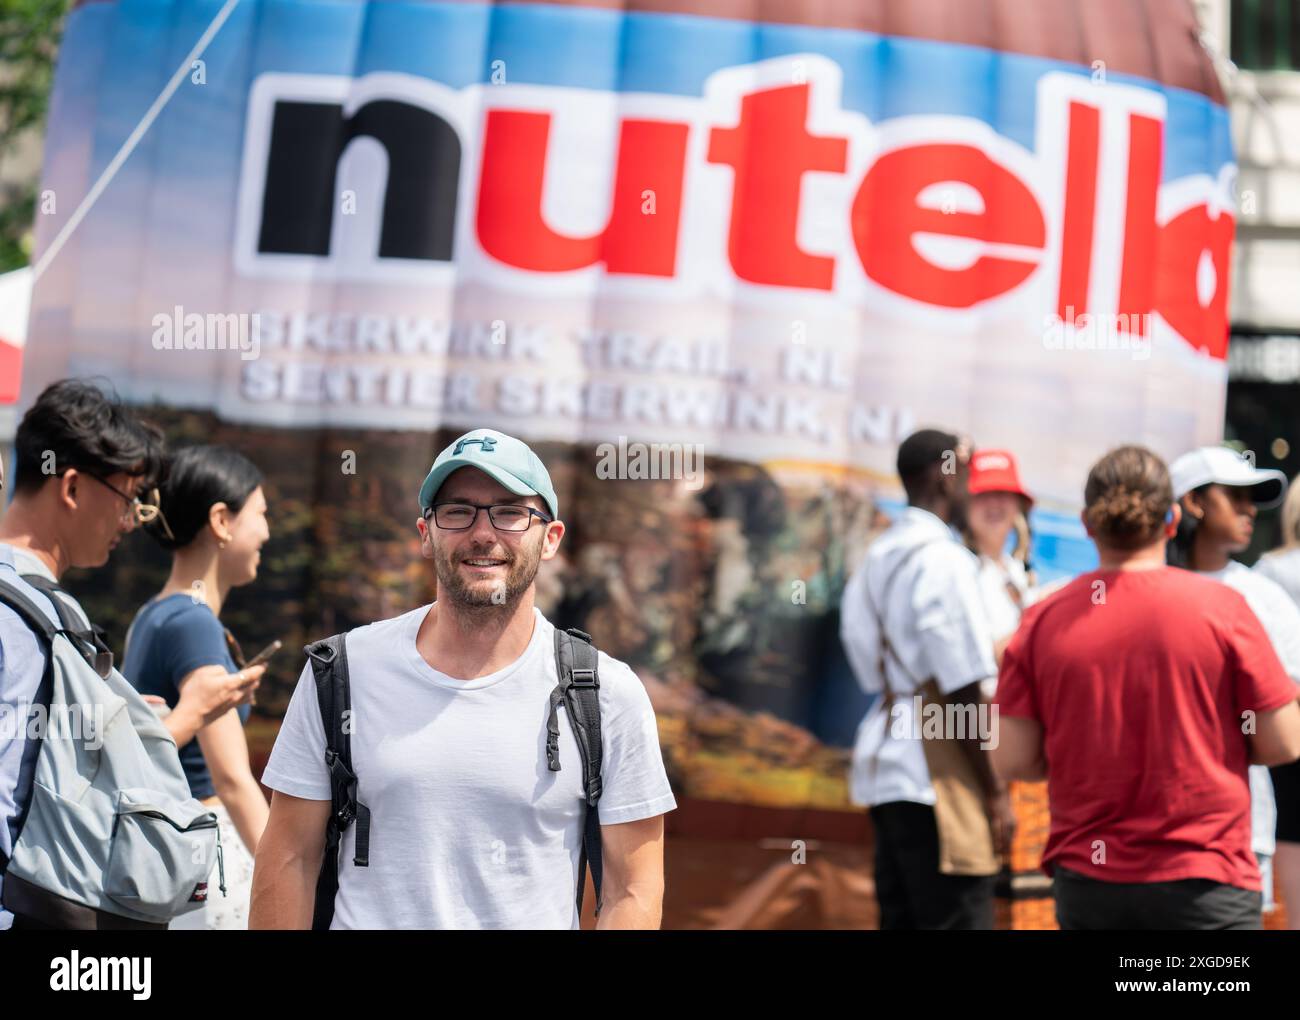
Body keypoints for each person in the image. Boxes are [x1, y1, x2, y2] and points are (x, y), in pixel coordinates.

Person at [250, 428, 676, 929]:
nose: (482, 533)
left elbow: (633, 890)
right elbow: (289, 858)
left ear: (551, 538)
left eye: (510, 512)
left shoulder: (605, 694)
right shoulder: (340, 671)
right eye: (457, 511)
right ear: (425, 533)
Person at [994, 445, 1300, 930]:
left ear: (1088, 525)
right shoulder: (1225, 608)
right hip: (1205, 877)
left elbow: (1012, 758)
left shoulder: (1042, 619)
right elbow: (1284, 741)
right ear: (1172, 519)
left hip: (1090, 880)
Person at [0, 379, 260, 928]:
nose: (128, 520)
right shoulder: (23, 619)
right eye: (126, 499)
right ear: (72, 487)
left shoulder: (37, 609)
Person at [840, 428, 1010, 930]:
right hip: (936, 776)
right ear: (945, 476)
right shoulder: (945, 559)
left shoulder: (878, 556)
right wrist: (994, 791)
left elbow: (863, 659)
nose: (972, 490)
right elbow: (961, 686)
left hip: (887, 764)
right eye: (968, 475)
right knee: (959, 918)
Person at [122, 445, 272, 930]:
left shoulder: (153, 614)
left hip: (173, 857)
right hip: (210, 857)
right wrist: (292, 879)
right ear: (222, 521)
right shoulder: (194, 623)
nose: (267, 532)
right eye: (261, 514)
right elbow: (232, 781)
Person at [1168, 446, 1300, 927]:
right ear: (1194, 502)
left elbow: (1290, 712)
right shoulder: (1141, 585)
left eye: (1253, 499)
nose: (1250, 510)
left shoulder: (1262, 595)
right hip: (1145, 835)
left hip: (1237, 831)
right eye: (1236, 496)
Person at [963, 448, 1035, 653]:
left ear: (1019, 505)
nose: (994, 503)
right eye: (983, 494)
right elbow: (978, 658)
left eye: (1002, 493)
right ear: (963, 504)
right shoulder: (959, 570)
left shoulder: (1017, 570)